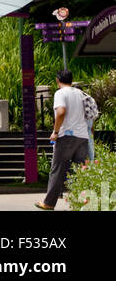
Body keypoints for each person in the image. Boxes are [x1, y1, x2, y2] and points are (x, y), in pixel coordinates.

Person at [36, 71, 89, 211]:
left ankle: (48, 203)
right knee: (81, 171)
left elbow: (60, 112)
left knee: (57, 170)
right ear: (72, 80)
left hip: (67, 136)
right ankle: (84, 203)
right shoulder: (80, 93)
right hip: (83, 136)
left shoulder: (60, 93)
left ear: (57, 80)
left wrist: (55, 132)